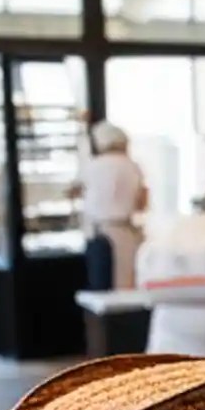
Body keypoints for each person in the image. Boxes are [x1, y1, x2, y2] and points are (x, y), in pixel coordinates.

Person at [74, 121, 147, 290]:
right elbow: (142, 203)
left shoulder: (92, 165)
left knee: (101, 284)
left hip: (99, 230)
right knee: (125, 284)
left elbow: (74, 190)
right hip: (126, 231)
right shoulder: (133, 166)